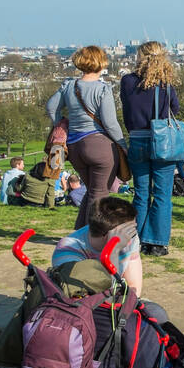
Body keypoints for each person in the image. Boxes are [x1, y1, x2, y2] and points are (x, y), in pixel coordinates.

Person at [47, 46, 126, 230]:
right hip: (99, 145)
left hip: (74, 147)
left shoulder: (68, 86)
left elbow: (51, 107)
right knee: (99, 194)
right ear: (100, 63)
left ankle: (79, 233)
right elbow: (110, 123)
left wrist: (62, 123)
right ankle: (92, 238)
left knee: (91, 192)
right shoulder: (102, 89)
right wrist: (123, 144)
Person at [120, 41, 181, 256]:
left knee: (141, 192)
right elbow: (175, 109)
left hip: (138, 139)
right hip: (162, 141)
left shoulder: (128, 82)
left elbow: (126, 110)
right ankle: (157, 242)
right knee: (163, 194)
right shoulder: (166, 84)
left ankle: (137, 239)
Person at [51, 196, 143, 297]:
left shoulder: (130, 239)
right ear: (108, 236)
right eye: (129, 231)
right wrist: (113, 251)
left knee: (155, 311)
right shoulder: (67, 249)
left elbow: (134, 289)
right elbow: (86, 299)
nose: (133, 237)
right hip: (83, 309)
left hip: (118, 306)